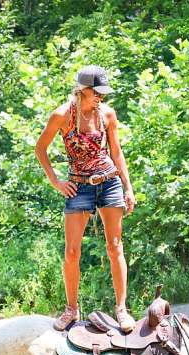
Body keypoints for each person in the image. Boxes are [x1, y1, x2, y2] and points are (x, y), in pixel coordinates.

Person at [34, 65, 137, 332]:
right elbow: (40, 148)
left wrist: (128, 187)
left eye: (103, 93)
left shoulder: (107, 115)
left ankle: (122, 310)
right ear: (82, 90)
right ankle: (71, 309)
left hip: (109, 182)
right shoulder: (62, 116)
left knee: (115, 248)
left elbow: (116, 152)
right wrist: (56, 181)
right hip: (78, 186)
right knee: (71, 252)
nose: (101, 97)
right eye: (96, 93)